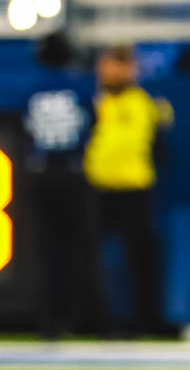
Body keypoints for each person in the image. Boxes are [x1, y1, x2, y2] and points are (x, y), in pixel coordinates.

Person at [83, 46, 177, 338]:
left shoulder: (145, 104)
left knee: (142, 259)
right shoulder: (93, 103)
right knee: (91, 258)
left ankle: (147, 320)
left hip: (136, 190)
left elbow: (159, 150)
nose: (115, 72)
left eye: (122, 65)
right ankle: (95, 321)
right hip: (98, 189)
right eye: (110, 65)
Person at [23, 33, 107, 339]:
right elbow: (94, 122)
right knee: (82, 250)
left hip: (43, 171)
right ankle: (90, 320)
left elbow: (23, 126)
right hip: (73, 172)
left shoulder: (31, 87)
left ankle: (48, 322)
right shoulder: (81, 86)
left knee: (46, 252)